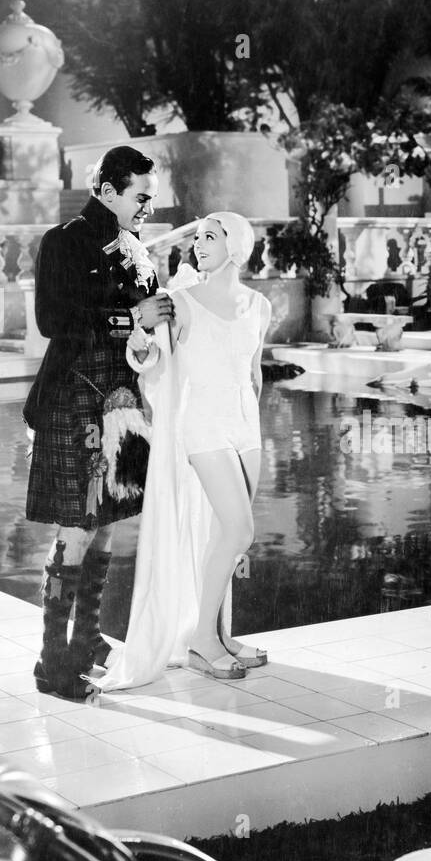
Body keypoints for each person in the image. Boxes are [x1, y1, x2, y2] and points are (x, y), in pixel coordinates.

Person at [91, 211, 272, 690]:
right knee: (241, 529)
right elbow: (151, 361)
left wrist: (253, 423)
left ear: (237, 244)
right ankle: (200, 645)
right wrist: (140, 341)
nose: (199, 243)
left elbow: (254, 373)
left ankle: (219, 633)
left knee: (225, 536)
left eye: (211, 236)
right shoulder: (179, 301)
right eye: (198, 237)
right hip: (203, 424)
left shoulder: (259, 306)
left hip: (245, 426)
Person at [23, 145, 175, 699]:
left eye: (150, 199)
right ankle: (51, 661)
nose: (147, 208)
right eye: (140, 197)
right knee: (80, 525)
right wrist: (130, 315)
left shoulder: (137, 250)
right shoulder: (63, 241)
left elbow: (148, 324)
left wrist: (155, 326)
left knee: (110, 521)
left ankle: (86, 642)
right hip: (76, 399)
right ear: (107, 191)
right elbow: (51, 320)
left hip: (125, 400)